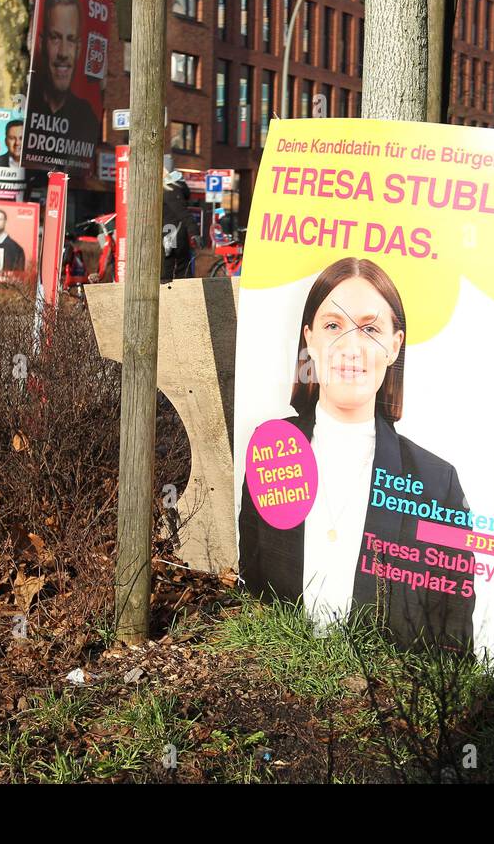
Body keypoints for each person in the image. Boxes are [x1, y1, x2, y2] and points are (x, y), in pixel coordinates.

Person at [238, 257, 476, 651]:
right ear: (310, 339)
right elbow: (252, 601)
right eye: (334, 326)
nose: (351, 347)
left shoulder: (437, 484)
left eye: (369, 329)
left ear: (395, 346)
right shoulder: (272, 451)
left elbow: (453, 640)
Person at [26, 0, 98, 144]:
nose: (63, 53)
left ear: (79, 48)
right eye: (55, 37)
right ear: (41, 43)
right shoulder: (24, 106)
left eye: (71, 40)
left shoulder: (87, 117)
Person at [160, 171, 197, 280]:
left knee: (169, 267)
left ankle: (172, 293)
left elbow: (183, 213)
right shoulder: (171, 190)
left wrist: (194, 231)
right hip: (174, 231)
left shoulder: (170, 190)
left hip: (171, 231)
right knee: (181, 267)